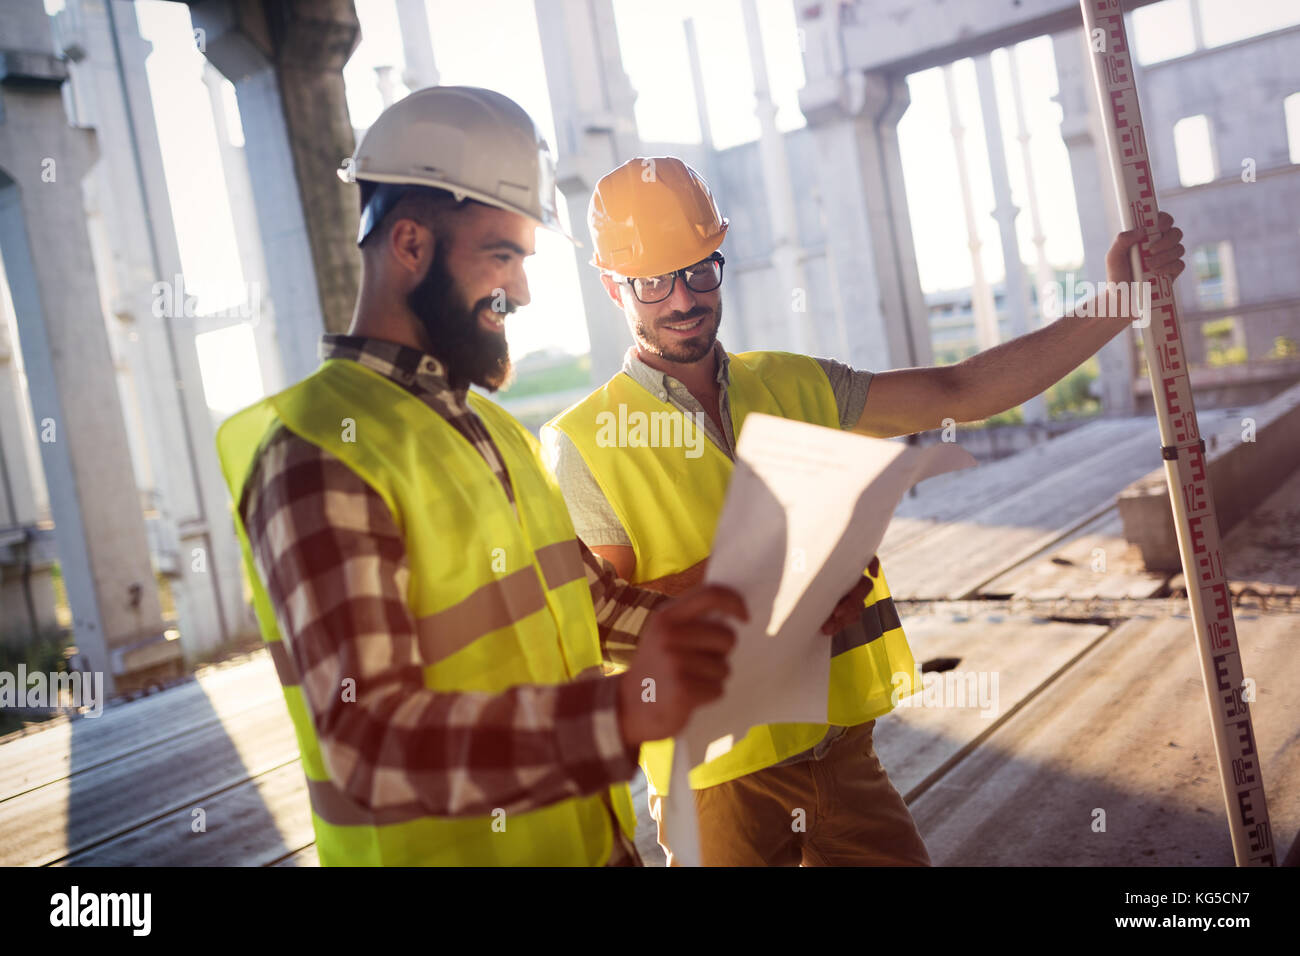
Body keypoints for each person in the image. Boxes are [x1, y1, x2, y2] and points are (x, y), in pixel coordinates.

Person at [542, 155, 1186, 866]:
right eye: (654, 281)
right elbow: (604, 627)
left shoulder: (791, 381)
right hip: (718, 781)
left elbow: (957, 390)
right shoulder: (584, 440)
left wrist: (1116, 305)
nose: (683, 299)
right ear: (612, 286)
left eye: (699, 269)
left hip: (842, 752)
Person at [214, 92, 749, 866]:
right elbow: (370, 746)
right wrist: (621, 712)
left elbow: (587, 605)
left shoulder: (492, 427)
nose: (524, 291)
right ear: (409, 244)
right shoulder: (319, 454)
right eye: (503, 255)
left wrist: (757, 618)